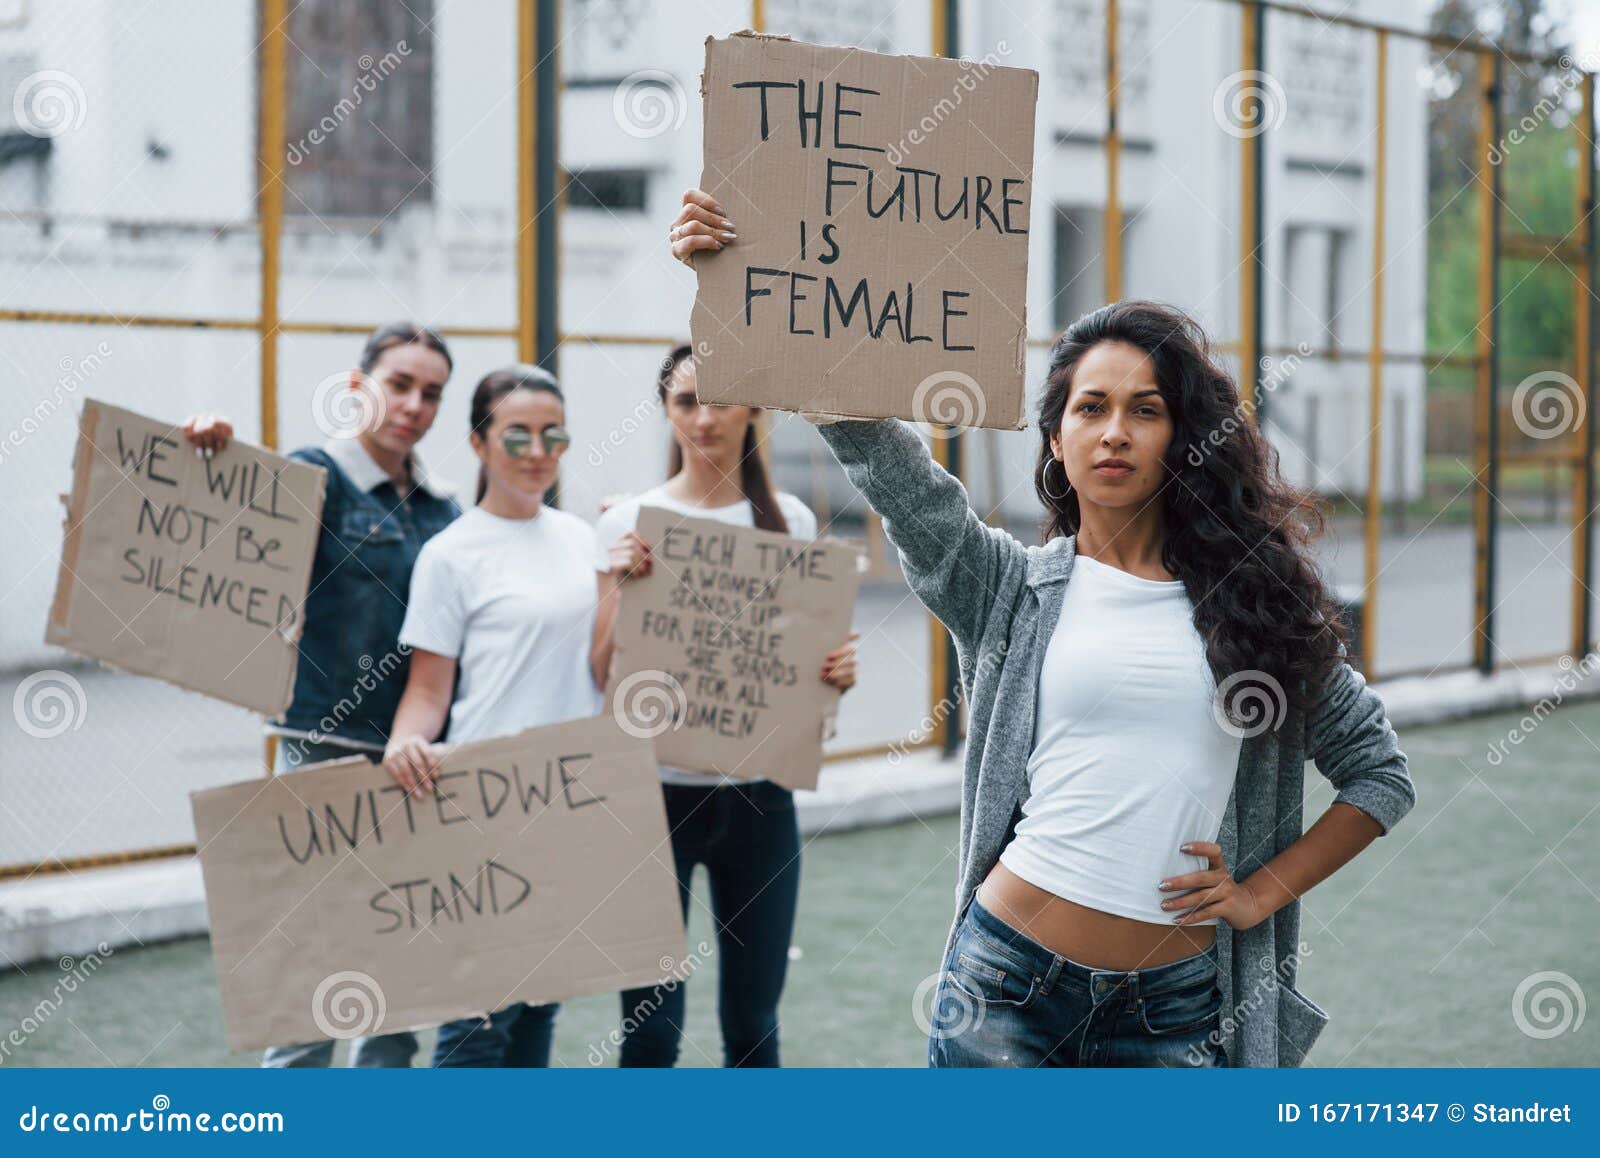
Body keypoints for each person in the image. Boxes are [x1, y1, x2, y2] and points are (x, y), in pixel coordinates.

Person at [669, 188, 1417, 1068]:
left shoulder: (1259, 606)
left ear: (1185, 438)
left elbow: (1378, 775)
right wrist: (743, 272)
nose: (1115, 432)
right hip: (1002, 986)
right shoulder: (1006, 586)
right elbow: (886, 457)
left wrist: (1259, 894)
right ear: (1055, 439)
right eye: (1090, 408)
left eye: (1146, 410)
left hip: (1179, 1008)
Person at [182, 320, 459, 1069]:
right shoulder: (312, 477)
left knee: (398, 963)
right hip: (322, 749)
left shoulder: (443, 509)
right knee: (315, 955)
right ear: (357, 387)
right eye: (399, 385)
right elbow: (227, 541)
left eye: (432, 393)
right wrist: (208, 457)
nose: (414, 405)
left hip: (417, 759)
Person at [588, 342, 858, 1067]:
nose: (704, 417)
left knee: (753, 1026)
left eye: (722, 398)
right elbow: (599, 670)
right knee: (648, 1034)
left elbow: (809, 671)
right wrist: (618, 583)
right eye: (685, 401)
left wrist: (836, 669)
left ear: (755, 409)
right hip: (651, 796)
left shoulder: (792, 523)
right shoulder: (626, 521)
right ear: (666, 412)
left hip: (759, 798)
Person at [383, 364, 605, 1068]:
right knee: (476, 1025)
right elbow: (428, 688)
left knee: (538, 1012)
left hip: (571, 808)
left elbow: (606, 671)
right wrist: (404, 743)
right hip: (483, 813)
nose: (538, 451)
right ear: (479, 445)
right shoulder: (449, 555)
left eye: (553, 435)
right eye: (517, 436)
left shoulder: (584, 540)